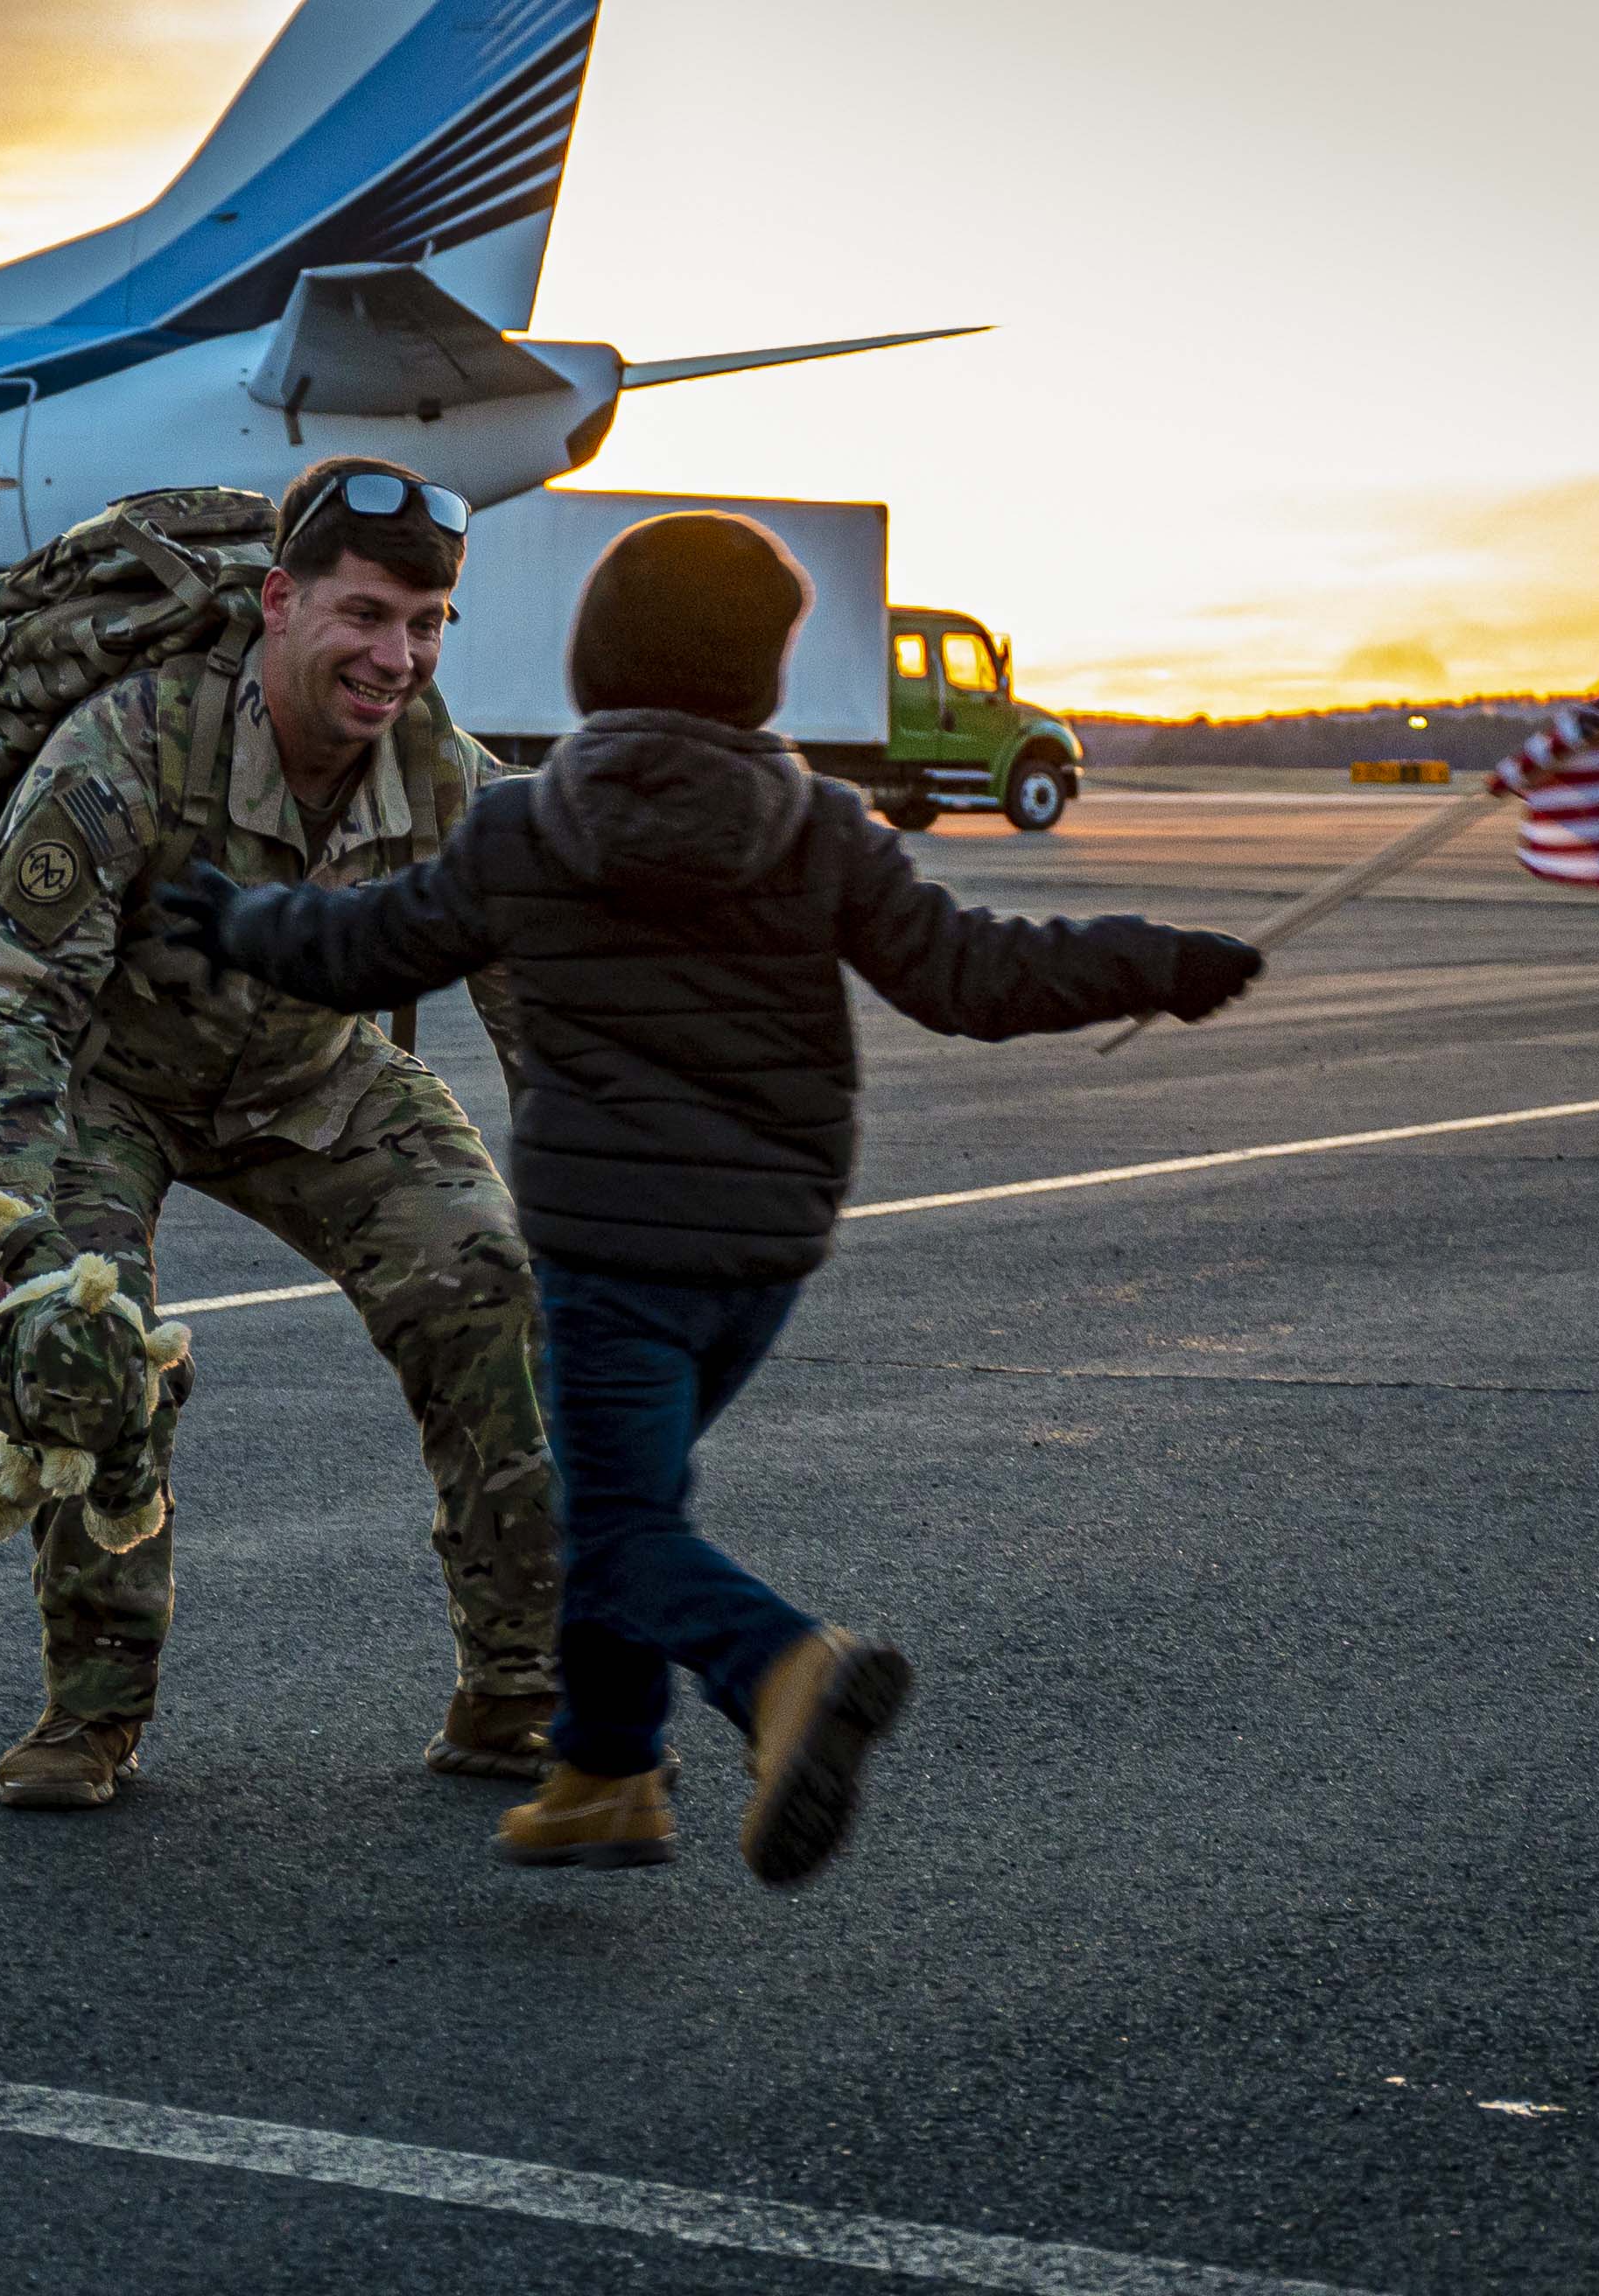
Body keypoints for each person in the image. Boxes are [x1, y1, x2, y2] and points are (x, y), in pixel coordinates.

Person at [160, 511, 1262, 1884]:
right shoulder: (820, 828)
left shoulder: (529, 824)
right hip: (765, 1253)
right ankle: (606, 1773)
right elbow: (975, 976)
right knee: (633, 1505)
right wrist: (1155, 958)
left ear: (592, 662)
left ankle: (786, 1669)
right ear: (767, 678)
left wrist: (235, 918)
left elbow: (367, 947)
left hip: (610, 1254)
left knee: (609, 1527)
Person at [0, 456, 562, 1810]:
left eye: (427, 624)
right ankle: (90, 1715)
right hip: (116, 1085)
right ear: (281, 602)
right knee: (88, 1341)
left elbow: (538, 1003)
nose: (398, 657)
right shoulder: (135, 741)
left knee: (488, 1283)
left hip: (314, 1078)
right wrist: (20, 1235)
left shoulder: (442, 773)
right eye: (367, 615)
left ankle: (517, 1689)